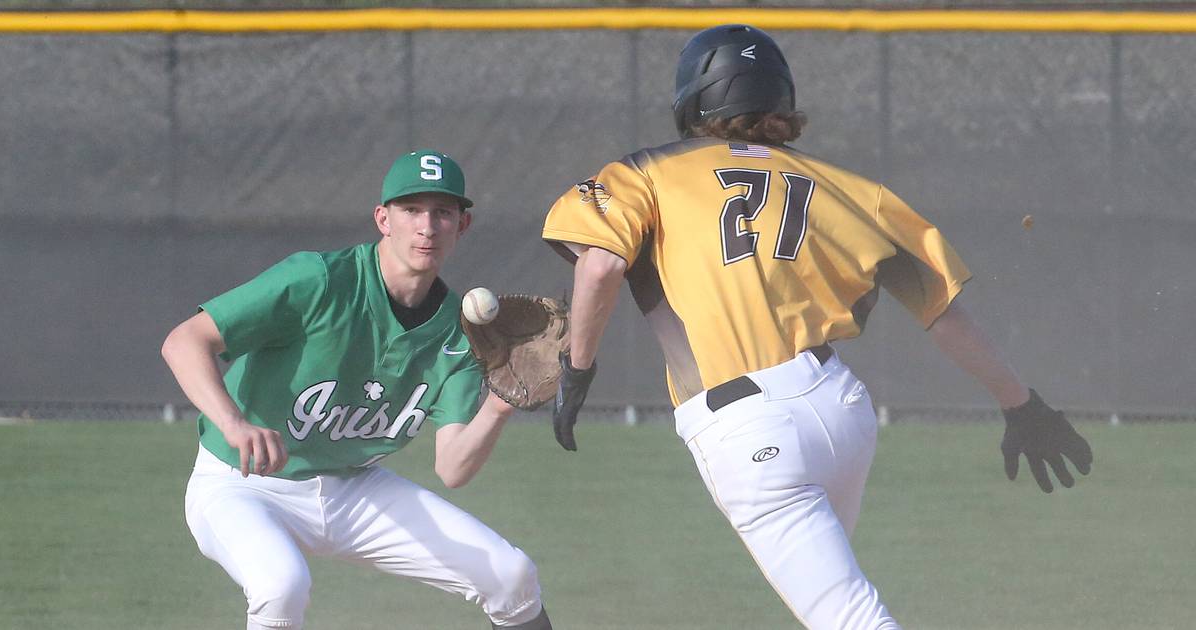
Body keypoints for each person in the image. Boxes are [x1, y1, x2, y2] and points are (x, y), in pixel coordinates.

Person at [542, 24, 1092, 630]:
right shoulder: (851, 190)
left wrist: (577, 368)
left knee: (850, 618)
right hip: (840, 408)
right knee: (830, 606)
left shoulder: (646, 171)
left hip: (746, 429)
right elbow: (941, 313)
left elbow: (601, 268)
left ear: (692, 98)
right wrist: (1020, 404)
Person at [162, 150, 553, 630]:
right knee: (281, 585)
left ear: (462, 224)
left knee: (511, 576)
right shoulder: (319, 281)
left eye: (442, 212)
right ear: (383, 219)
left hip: (353, 487)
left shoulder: (459, 334)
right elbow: (184, 341)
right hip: (242, 484)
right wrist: (233, 423)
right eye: (411, 210)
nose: (427, 226)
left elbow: (452, 467)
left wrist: (500, 404)